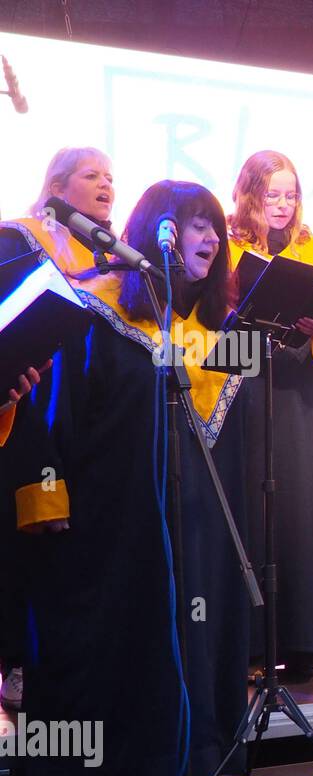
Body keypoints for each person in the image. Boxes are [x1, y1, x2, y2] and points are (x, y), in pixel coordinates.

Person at [7, 181, 250, 776]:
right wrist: (46, 504)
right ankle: (66, 775)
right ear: (155, 232)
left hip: (183, 525)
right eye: (192, 224)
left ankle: (179, 762)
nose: (208, 237)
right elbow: (49, 418)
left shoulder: (222, 334)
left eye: (214, 226)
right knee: (90, 637)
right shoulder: (94, 310)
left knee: (175, 631)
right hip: (99, 520)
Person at [227, 151, 313, 679]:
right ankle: (252, 648)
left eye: (290, 194)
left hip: (307, 396)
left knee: (307, 513)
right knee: (253, 514)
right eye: (272, 194)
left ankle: (309, 643)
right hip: (246, 392)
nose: (283, 205)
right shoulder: (224, 248)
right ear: (249, 195)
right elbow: (209, 329)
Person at [0, 147, 116, 712]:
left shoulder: (111, 255)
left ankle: (56, 664)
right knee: (27, 536)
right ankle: (17, 662)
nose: (106, 185)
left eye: (110, 177)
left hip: (83, 420)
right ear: (56, 186)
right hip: (21, 415)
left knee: (68, 540)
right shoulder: (15, 239)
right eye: (92, 175)